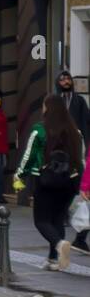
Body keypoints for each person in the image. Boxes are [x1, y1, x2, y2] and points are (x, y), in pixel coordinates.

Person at [15, 94, 84, 271]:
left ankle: (59, 244)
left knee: (42, 220)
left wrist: (19, 175)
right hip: (69, 182)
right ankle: (54, 260)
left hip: (46, 181)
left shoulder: (39, 130)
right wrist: (80, 184)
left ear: (48, 108)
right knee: (57, 220)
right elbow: (80, 159)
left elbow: (29, 155)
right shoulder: (75, 131)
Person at [55, 70, 90, 252]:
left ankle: (78, 232)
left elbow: (86, 123)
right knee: (63, 181)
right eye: (62, 79)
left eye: (68, 78)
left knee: (75, 181)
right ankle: (62, 214)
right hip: (59, 149)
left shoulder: (79, 101)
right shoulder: (56, 101)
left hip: (76, 148)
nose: (66, 81)